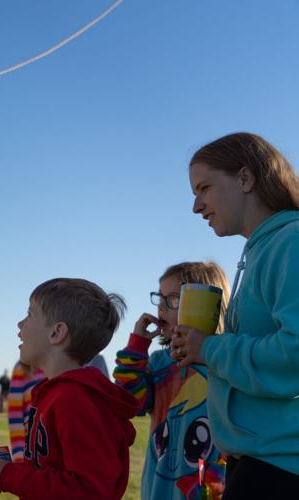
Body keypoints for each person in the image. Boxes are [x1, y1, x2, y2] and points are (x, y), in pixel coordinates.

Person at [172, 132, 299, 498]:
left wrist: (210, 348)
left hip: (280, 467)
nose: (197, 206)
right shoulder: (262, 250)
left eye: (204, 188)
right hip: (259, 461)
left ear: (245, 178)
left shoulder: (290, 242)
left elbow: (295, 352)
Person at [0, 278, 137, 499]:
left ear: (56, 333)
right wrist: (14, 475)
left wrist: (11, 475)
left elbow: (89, 490)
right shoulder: (54, 393)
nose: (20, 324)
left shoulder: (75, 400)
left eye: (30, 314)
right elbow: (52, 472)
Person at [114, 261, 230, 499]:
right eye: (160, 297)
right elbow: (129, 401)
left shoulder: (225, 361)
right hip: (157, 488)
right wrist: (137, 345)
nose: (162, 308)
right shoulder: (159, 363)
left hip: (207, 489)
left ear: (206, 304)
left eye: (174, 299)